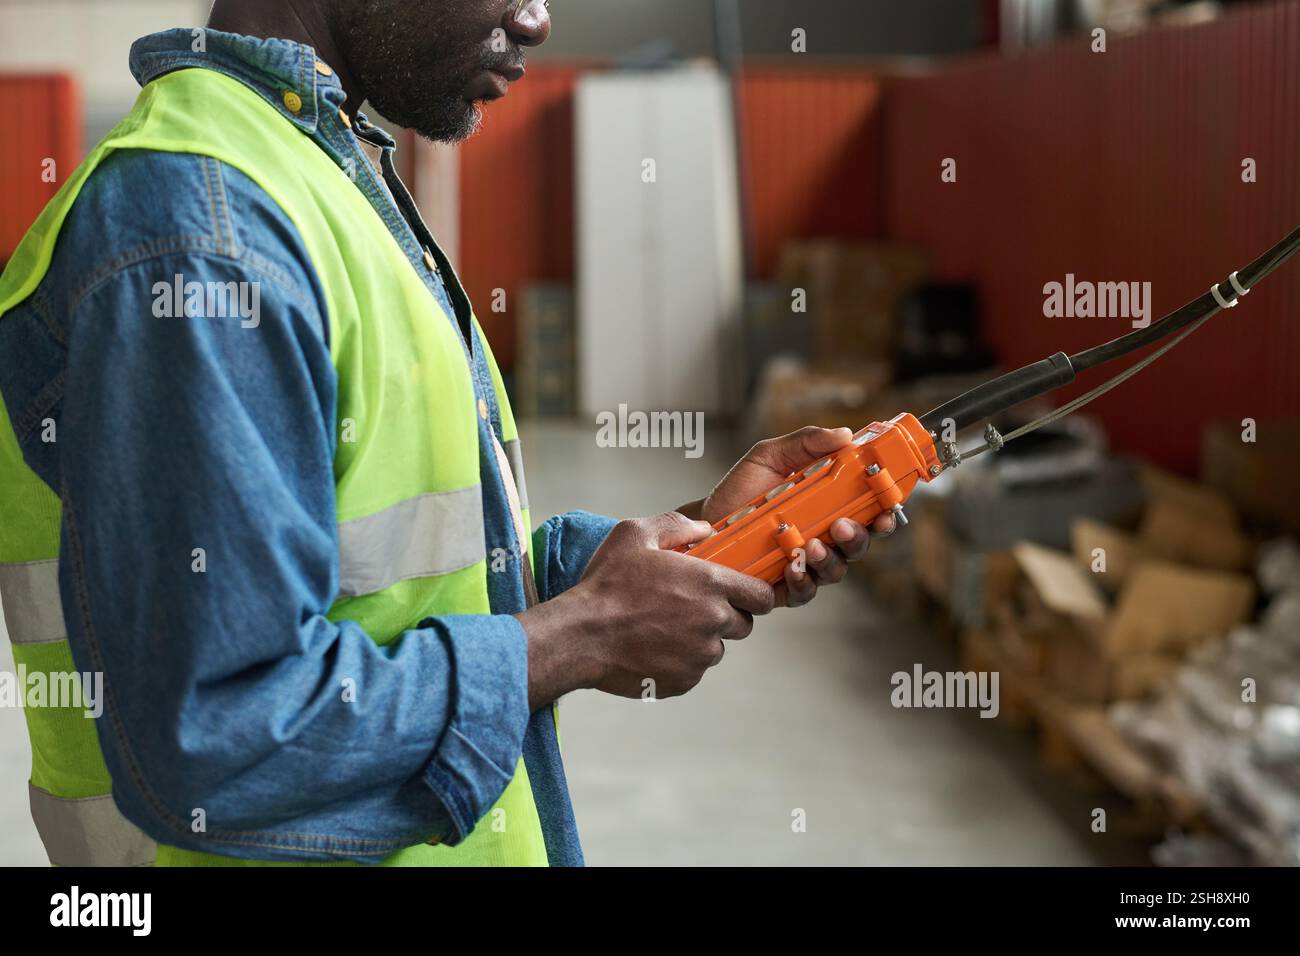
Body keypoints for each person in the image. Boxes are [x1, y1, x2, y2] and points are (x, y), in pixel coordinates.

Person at [0, 0, 893, 867]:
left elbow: (399, 581)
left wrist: (678, 552)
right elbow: (223, 735)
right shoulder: (202, 234)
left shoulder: (321, 168)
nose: (538, 20)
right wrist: (585, 633)